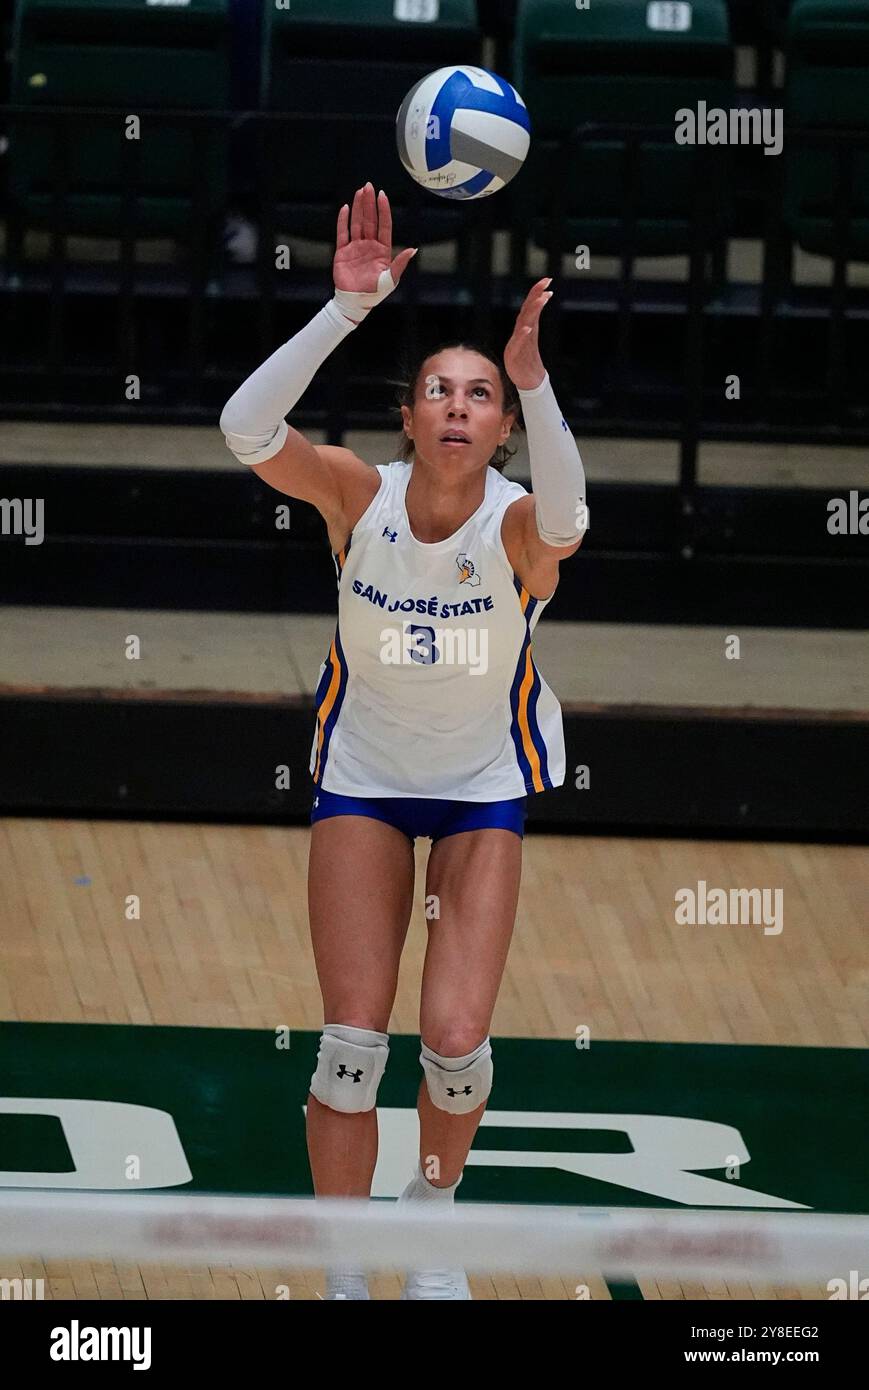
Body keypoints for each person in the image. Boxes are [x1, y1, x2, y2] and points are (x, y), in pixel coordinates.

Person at [220, 182, 586, 1300]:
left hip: (479, 786)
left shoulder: (518, 523)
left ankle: (430, 1217)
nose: (461, 406)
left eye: (483, 394)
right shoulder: (353, 496)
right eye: (441, 389)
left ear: (502, 427)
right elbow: (245, 430)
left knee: (457, 1042)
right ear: (411, 416)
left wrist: (539, 382)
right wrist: (343, 310)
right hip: (367, 779)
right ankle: (341, 1262)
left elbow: (569, 521)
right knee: (347, 1044)